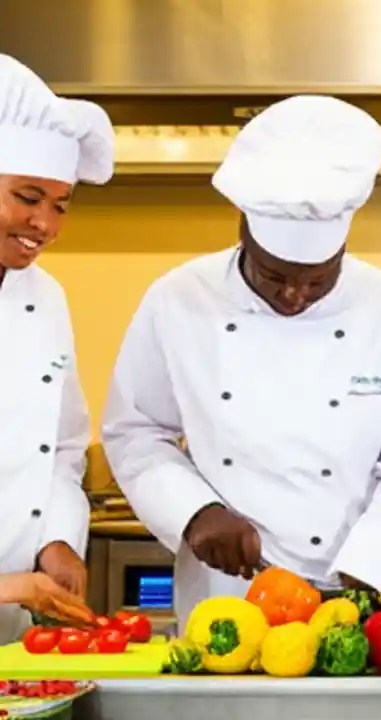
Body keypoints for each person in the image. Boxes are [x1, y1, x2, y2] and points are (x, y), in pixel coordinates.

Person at [102, 96, 381, 628]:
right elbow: (136, 430)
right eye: (274, 275)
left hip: (352, 592)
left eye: (317, 280)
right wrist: (195, 512)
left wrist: (368, 573)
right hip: (224, 597)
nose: (294, 296)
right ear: (242, 233)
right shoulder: (178, 301)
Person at [0, 54, 112, 642]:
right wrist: (9, 586)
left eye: (60, 204)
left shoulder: (45, 298)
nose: (44, 224)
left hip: (15, 637)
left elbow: (62, 448)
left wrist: (57, 541)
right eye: (27, 196)